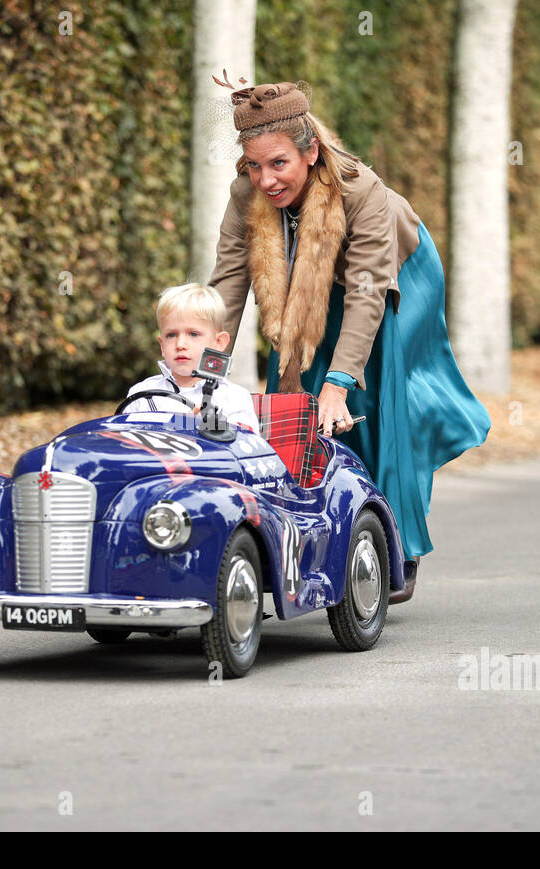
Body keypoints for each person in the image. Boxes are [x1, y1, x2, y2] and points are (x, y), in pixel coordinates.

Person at [207, 80, 490, 602]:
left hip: (395, 276)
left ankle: (397, 543)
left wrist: (338, 384)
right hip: (308, 282)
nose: (265, 179)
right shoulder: (246, 193)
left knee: (375, 395)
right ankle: (302, 528)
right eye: (253, 165)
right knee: (292, 387)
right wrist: (202, 370)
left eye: (279, 164)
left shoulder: (362, 190)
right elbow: (228, 283)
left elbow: (366, 295)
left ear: (311, 151)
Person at [121, 283, 260, 432]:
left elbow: (247, 445)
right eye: (171, 335)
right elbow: (124, 444)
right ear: (162, 346)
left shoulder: (234, 398)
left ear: (219, 342)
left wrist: (212, 428)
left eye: (193, 334)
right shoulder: (140, 395)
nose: (180, 344)